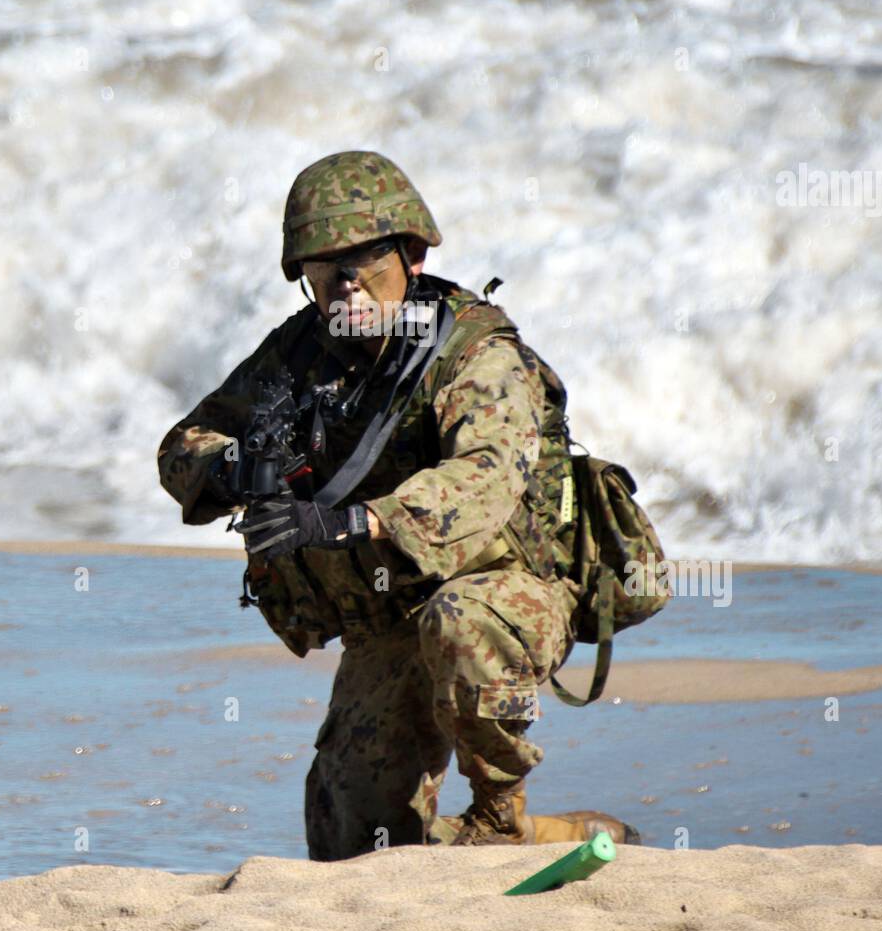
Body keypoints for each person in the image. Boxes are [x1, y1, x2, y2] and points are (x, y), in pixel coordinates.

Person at [157, 150, 638, 857]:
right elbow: (183, 443)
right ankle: (547, 836)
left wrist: (357, 519)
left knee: (459, 623)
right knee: (349, 842)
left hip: (505, 590)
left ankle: (500, 816)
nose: (346, 290)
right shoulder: (302, 352)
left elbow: (486, 477)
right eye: (325, 275)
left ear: (411, 256)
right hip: (392, 608)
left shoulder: (472, 349)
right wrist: (234, 466)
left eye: (365, 268)